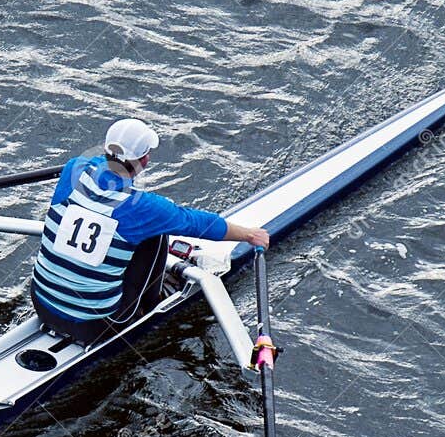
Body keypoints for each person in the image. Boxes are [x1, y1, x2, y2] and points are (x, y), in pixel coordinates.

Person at [31, 118, 269, 344]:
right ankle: (152, 303)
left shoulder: (73, 169)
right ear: (144, 161)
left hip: (40, 303)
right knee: (156, 233)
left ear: (105, 150)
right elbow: (196, 223)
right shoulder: (144, 208)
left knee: (127, 232)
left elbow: (97, 168)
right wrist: (249, 235)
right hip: (97, 325)